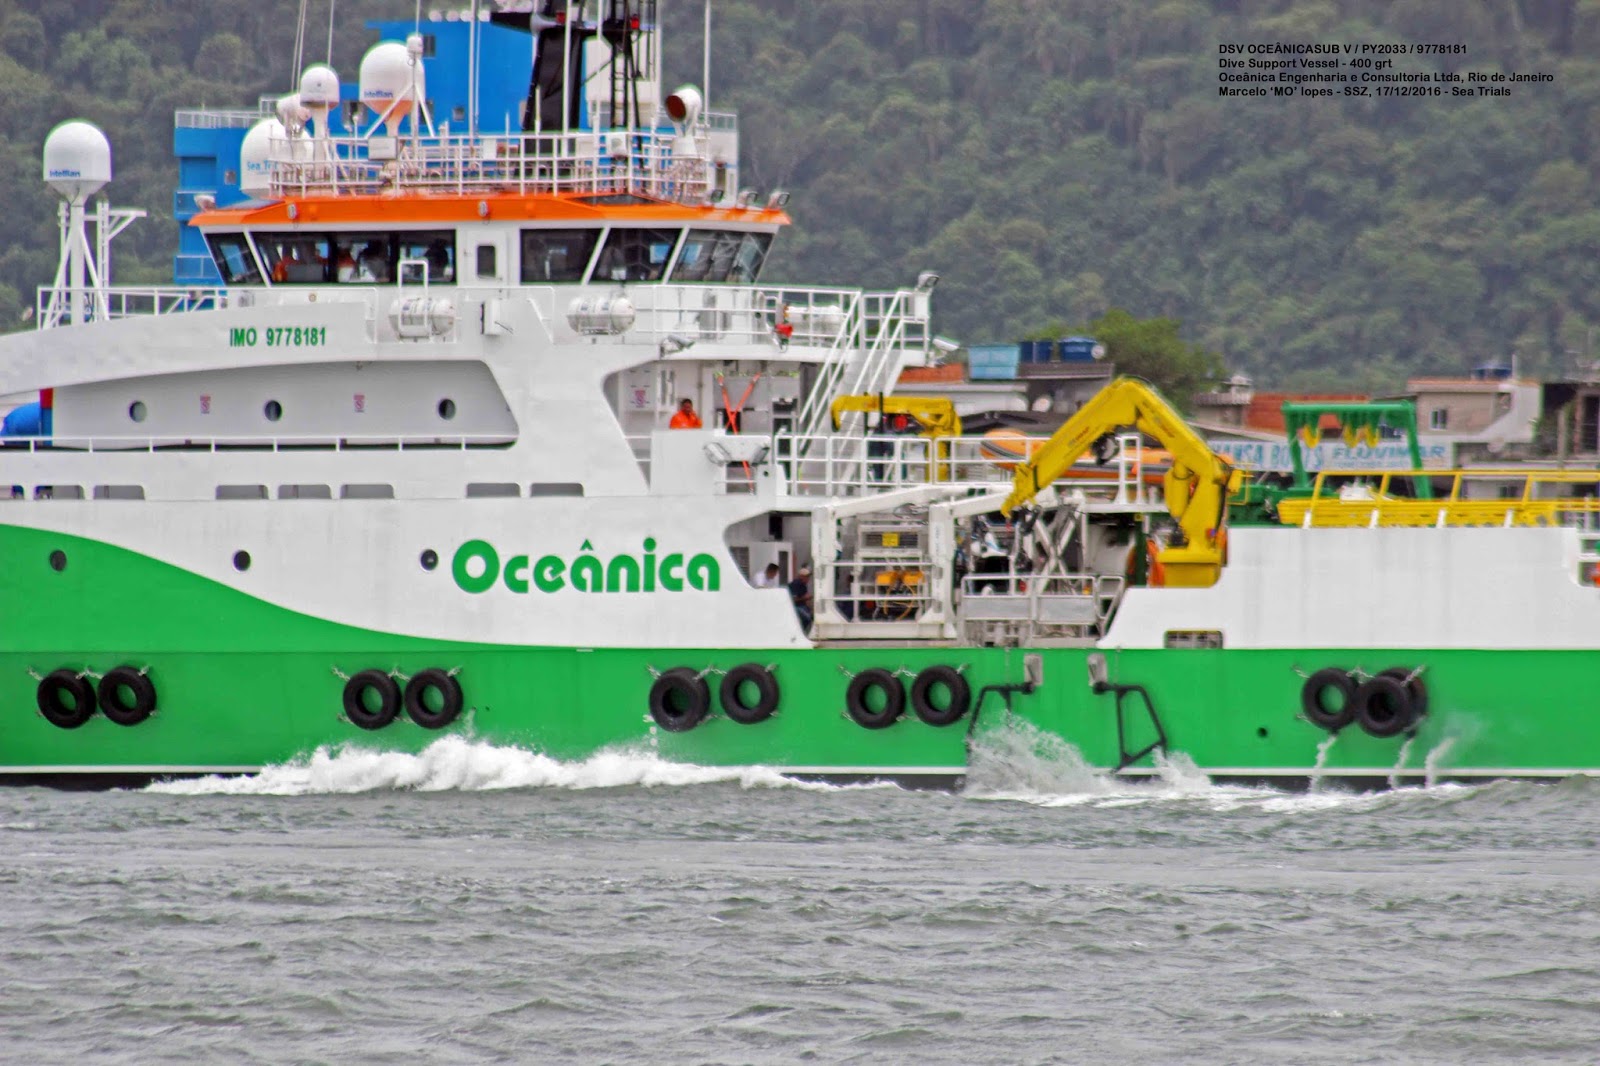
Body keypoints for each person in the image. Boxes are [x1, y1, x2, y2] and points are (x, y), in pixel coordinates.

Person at [788, 565, 813, 630]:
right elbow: (793, 599)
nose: (808, 579)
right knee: (807, 618)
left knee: (811, 617)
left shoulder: (803, 585)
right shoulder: (796, 584)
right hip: (794, 606)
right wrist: (805, 598)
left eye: (808, 577)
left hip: (802, 606)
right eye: (806, 577)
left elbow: (806, 598)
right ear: (801, 576)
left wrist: (809, 608)